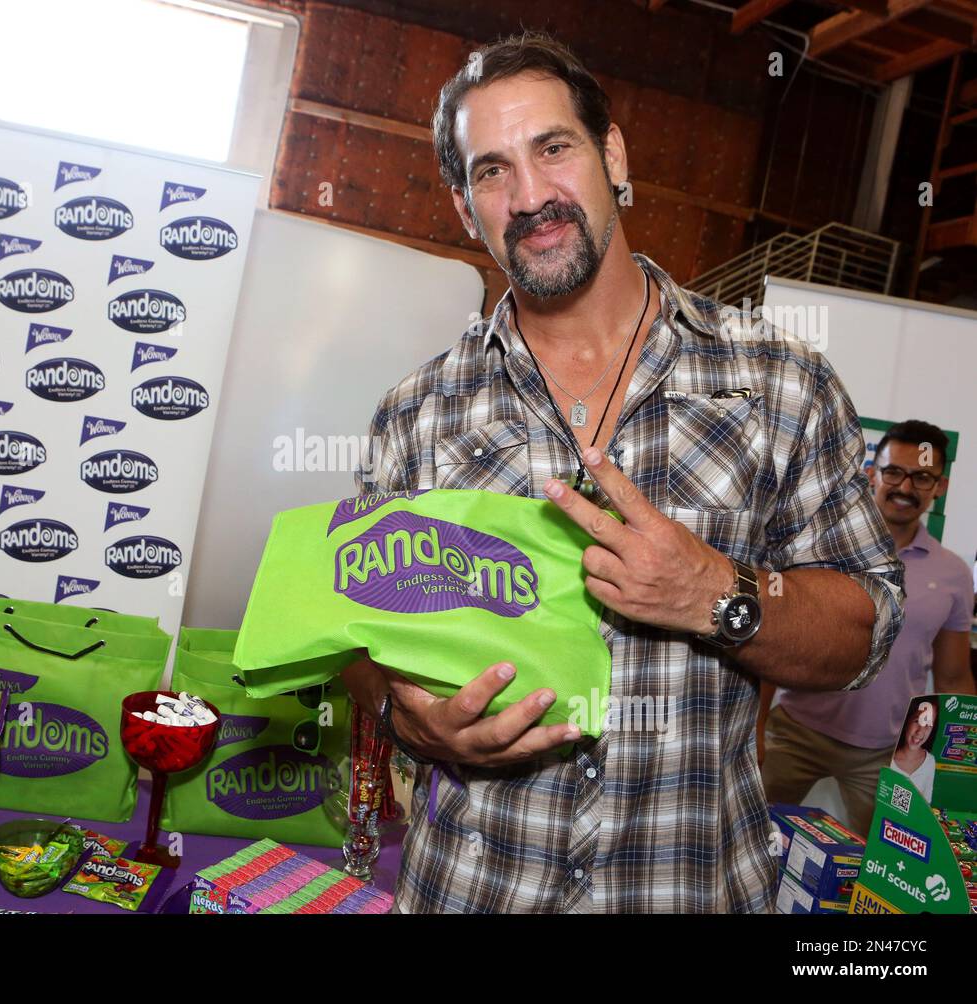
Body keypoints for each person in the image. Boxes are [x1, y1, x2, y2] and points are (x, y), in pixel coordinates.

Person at [341, 31, 904, 913]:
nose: (530, 197)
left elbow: (865, 628)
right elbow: (356, 638)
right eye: (492, 171)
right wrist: (398, 712)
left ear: (613, 153)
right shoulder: (417, 411)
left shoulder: (778, 381)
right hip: (472, 890)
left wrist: (717, 591)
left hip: (691, 888)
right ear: (463, 206)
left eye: (553, 148)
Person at [760, 421, 974, 833]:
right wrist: (757, 728)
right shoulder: (819, 546)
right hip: (796, 732)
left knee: (880, 867)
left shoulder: (953, 574)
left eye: (922, 477)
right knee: (742, 838)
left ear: (939, 487)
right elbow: (774, 640)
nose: (905, 488)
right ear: (871, 474)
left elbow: (953, 675)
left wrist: (961, 759)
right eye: (894, 472)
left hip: (885, 751)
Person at [889, 698, 938, 803]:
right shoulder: (888, 759)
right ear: (907, 720)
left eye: (928, 725)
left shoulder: (929, 762)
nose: (920, 732)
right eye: (917, 721)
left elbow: (926, 803)